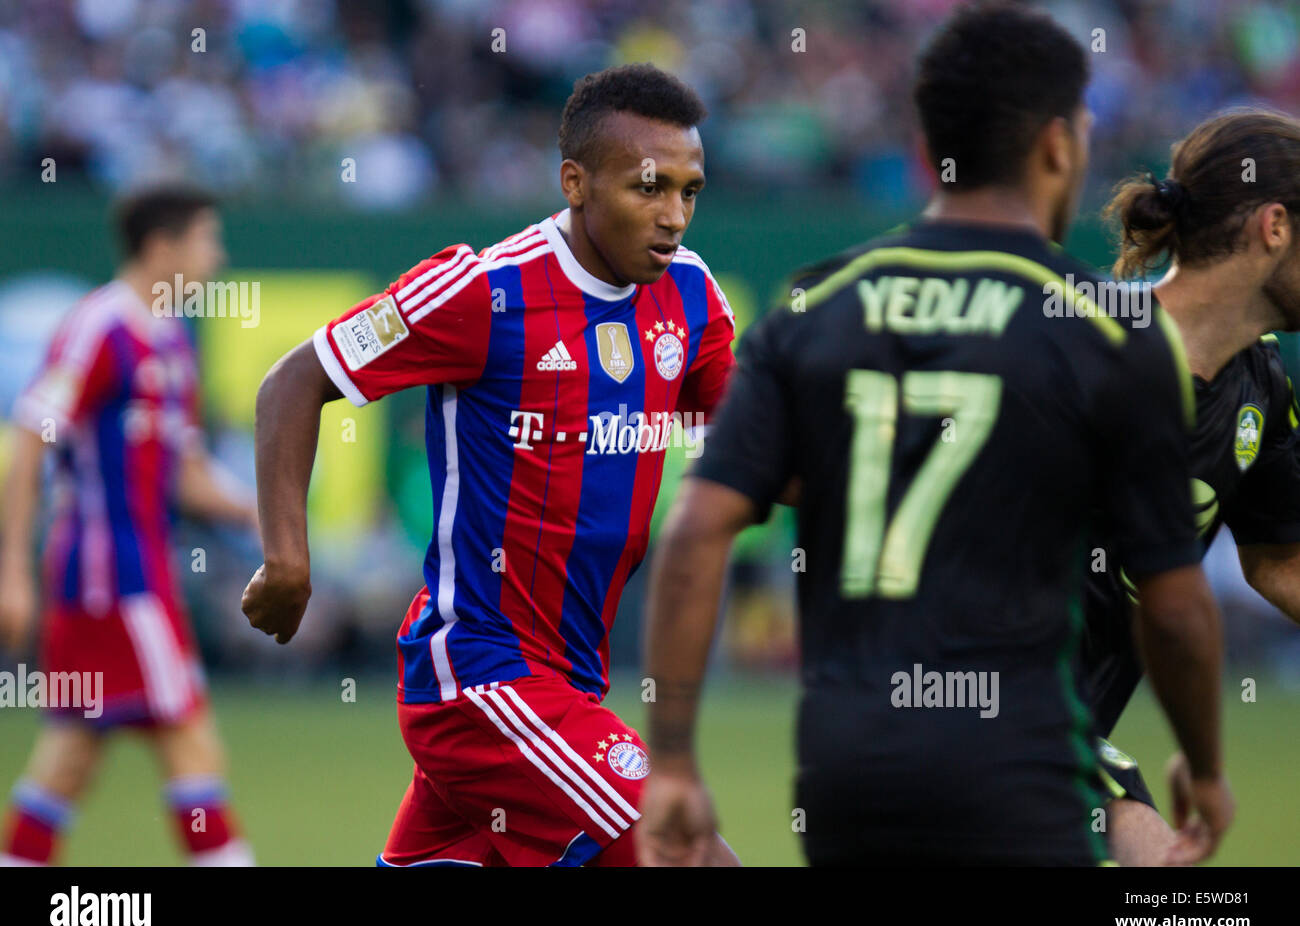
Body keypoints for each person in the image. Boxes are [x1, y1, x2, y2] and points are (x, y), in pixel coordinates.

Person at [636, 1, 1232, 867]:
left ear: (928, 146)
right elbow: (1174, 605)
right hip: (1019, 771)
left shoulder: (812, 306)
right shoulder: (1110, 331)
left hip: (847, 773)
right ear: (1059, 146)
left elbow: (693, 533)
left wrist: (677, 759)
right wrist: (1207, 767)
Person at [241, 64, 739, 867]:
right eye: (649, 188)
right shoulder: (481, 290)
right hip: (478, 676)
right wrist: (288, 560)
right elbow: (292, 382)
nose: (674, 216)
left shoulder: (689, 293)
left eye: (690, 191)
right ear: (576, 182)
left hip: (565, 684)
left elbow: (755, 446)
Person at [0, 185, 258, 866]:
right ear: (161, 247)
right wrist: (12, 575)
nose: (217, 258)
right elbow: (32, 438)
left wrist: (262, 511)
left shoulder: (169, 340)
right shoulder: (99, 327)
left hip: (139, 576)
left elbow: (185, 474)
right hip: (110, 579)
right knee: (192, 743)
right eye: (207, 240)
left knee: (69, 757)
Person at [1086, 107, 1300, 865]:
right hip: (971, 709)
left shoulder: (1259, 384)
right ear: (1274, 226)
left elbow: (1281, 560)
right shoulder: (1085, 346)